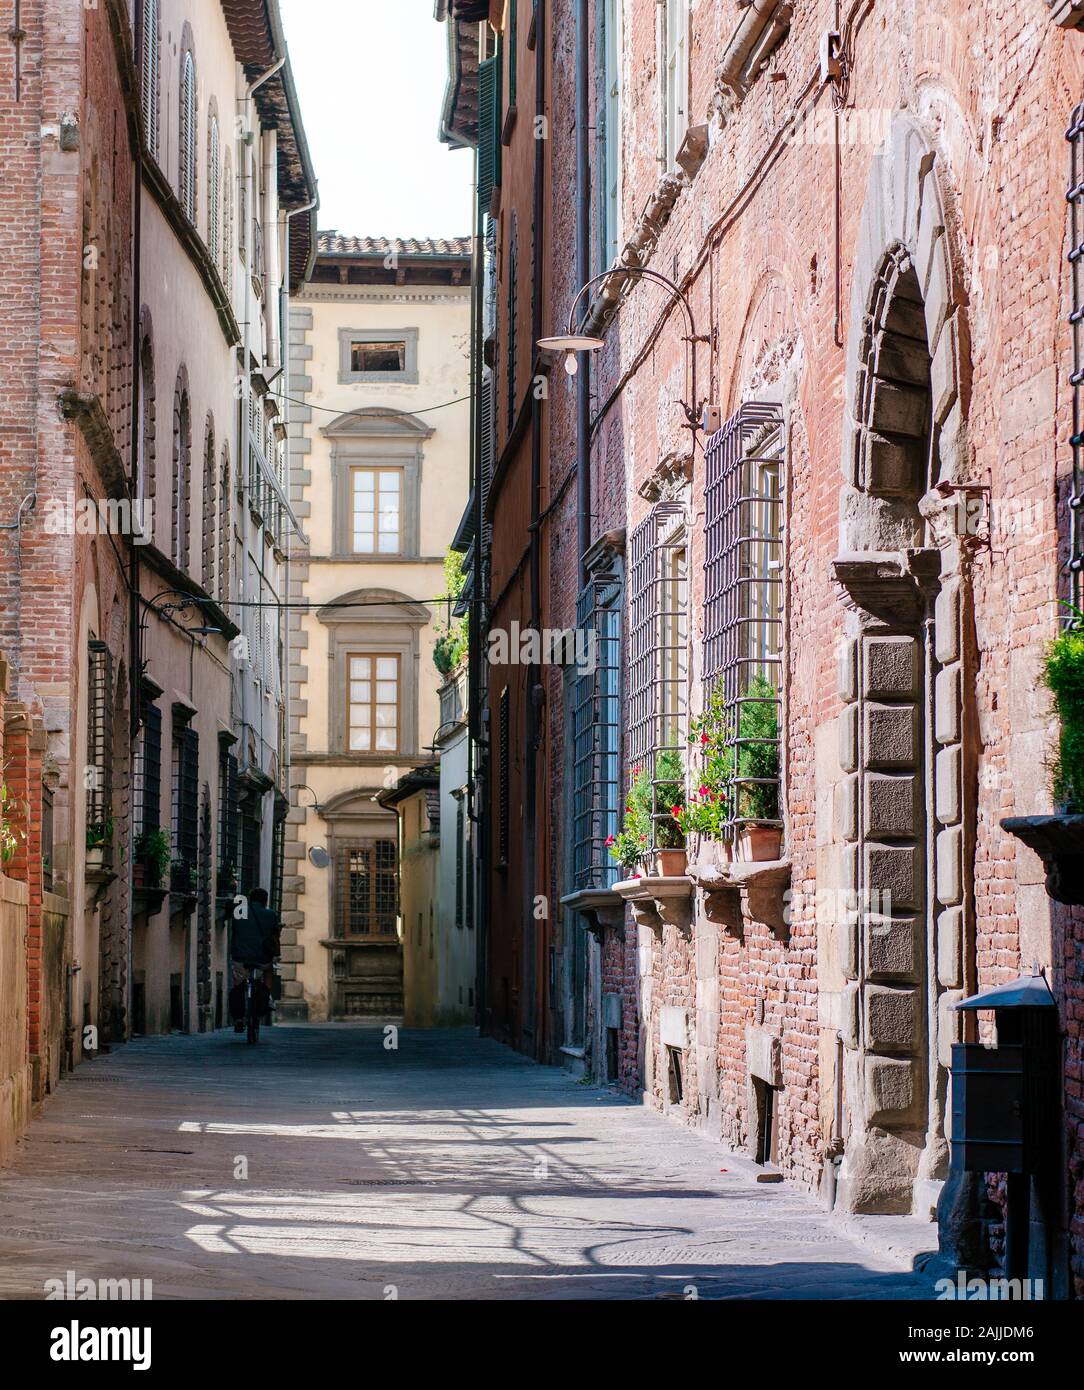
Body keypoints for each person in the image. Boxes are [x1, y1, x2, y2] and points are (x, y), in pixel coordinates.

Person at [229, 887, 280, 1031]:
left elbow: (235, 930)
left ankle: (238, 1018)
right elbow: (275, 936)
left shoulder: (241, 911)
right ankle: (267, 998)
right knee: (269, 971)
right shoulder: (271, 914)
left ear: (250, 899)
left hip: (240, 957)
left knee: (238, 984)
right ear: (265, 900)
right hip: (262, 958)